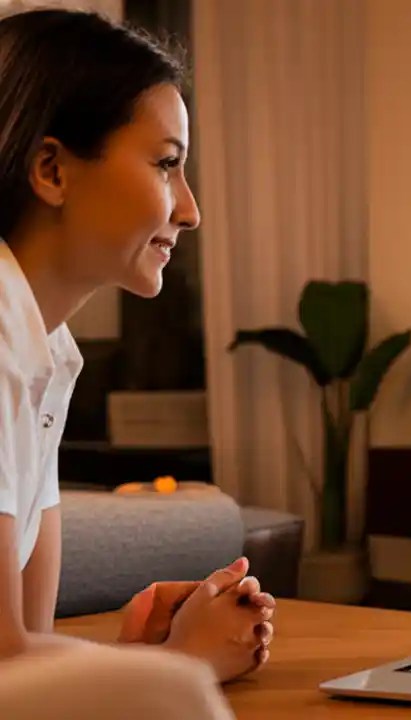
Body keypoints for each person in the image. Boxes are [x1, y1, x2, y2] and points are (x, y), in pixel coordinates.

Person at [0, 7, 275, 717]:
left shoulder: (44, 354)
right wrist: (181, 666)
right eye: (166, 164)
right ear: (52, 169)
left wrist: (138, 660)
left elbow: (23, 646)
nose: (190, 210)